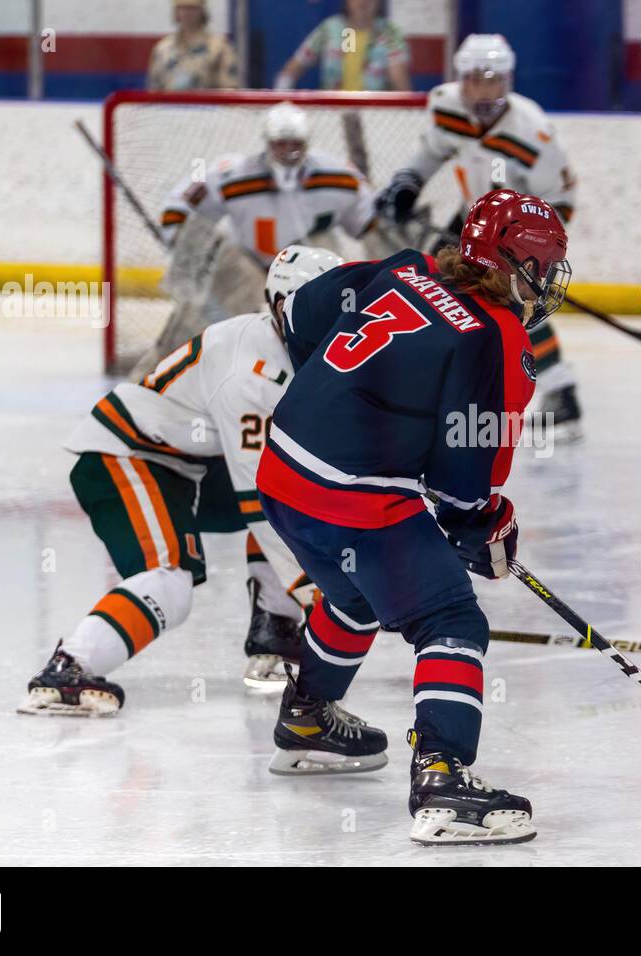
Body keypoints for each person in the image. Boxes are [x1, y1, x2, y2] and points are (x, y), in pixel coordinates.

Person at [255, 189, 571, 845]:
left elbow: (307, 312)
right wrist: (483, 525)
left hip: (281, 472)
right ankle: (442, 776)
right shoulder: (497, 341)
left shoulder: (404, 267)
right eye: (541, 266)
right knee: (451, 617)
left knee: (354, 594)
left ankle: (308, 719)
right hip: (355, 496)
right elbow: (465, 479)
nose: (546, 282)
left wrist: (353, 400)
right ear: (513, 266)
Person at [18, 247, 344, 716]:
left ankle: (275, 623)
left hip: (189, 463)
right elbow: (263, 500)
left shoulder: (297, 346)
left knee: (302, 488)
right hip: (128, 456)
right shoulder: (249, 372)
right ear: (276, 305)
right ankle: (70, 668)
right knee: (169, 584)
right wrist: (317, 594)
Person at [377, 34, 583, 434]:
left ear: (507, 80)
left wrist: (532, 248)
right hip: (475, 217)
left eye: (492, 79)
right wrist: (408, 184)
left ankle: (562, 390)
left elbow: (560, 198)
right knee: (431, 284)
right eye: (474, 78)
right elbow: (432, 153)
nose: (482, 89)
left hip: (522, 229)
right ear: (460, 78)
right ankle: (429, 378)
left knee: (518, 301)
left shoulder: (533, 132)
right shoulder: (446, 105)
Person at [159, 103, 379, 268]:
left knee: (327, 250)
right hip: (249, 264)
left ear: (307, 143)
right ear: (267, 142)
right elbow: (181, 203)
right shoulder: (232, 175)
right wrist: (179, 239)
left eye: (296, 144)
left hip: (306, 267)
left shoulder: (339, 176)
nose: (289, 152)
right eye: (281, 144)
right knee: (222, 281)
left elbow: (371, 224)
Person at [274, 0, 411, 92]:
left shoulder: (389, 33)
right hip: (334, 112)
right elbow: (293, 68)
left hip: (375, 114)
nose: (363, 2)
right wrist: (280, 101)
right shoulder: (334, 30)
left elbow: (399, 80)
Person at [147, 0, 240, 92]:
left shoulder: (219, 48)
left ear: (202, 11)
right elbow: (154, 89)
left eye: (192, 8)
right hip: (169, 106)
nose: (187, 13)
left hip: (207, 105)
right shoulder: (163, 48)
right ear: (175, 12)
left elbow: (229, 89)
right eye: (182, 8)